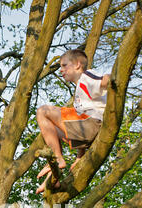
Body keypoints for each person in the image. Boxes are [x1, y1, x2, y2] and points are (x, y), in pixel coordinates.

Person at [36, 49, 110, 194]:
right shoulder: (80, 91)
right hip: (87, 129)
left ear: (77, 65)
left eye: (64, 65)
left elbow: (104, 80)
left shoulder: (86, 76)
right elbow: (78, 124)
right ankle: (54, 177)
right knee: (50, 129)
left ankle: (58, 159)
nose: (61, 70)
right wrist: (79, 157)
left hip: (93, 124)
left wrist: (115, 77)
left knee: (43, 111)